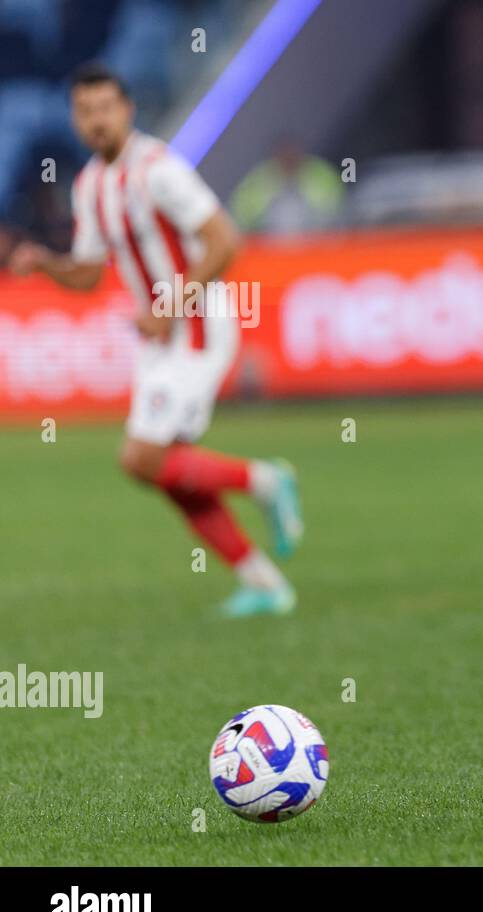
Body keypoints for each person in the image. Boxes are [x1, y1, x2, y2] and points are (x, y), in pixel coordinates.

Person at [8, 64, 303, 618]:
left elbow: (223, 240)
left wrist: (170, 305)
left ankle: (265, 479)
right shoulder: (91, 185)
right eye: (85, 111)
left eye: (105, 108)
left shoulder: (158, 169)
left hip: (195, 328)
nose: (96, 120)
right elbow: (91, 274)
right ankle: (263, 581)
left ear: (127, 110)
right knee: (163, 467)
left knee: (142, 456)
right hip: (160, 337)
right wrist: (46, 263)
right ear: (75, 119)